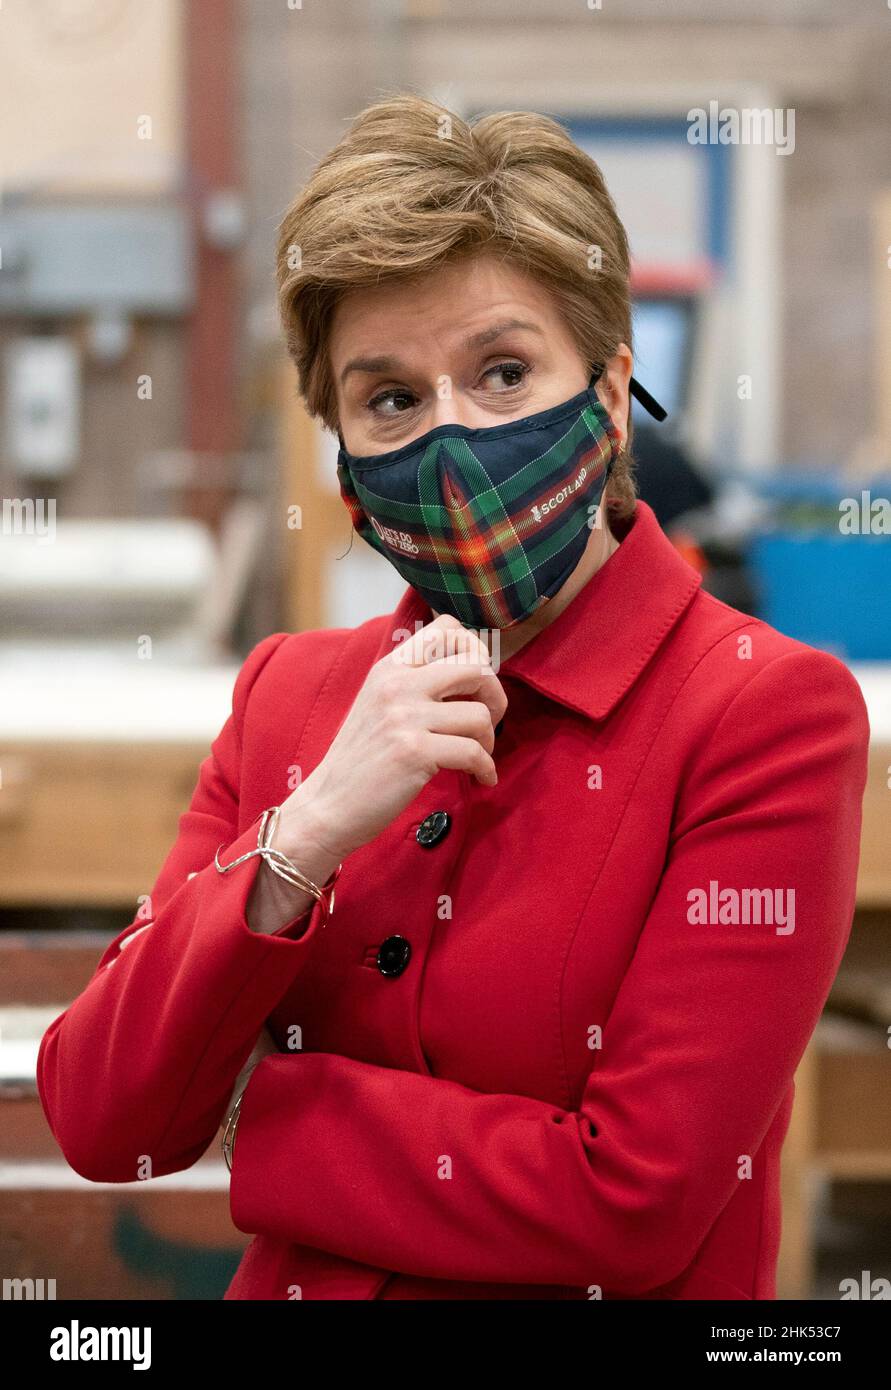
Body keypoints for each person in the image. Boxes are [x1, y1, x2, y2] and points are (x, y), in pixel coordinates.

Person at [37, 94, 869, 1301]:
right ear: (344, 462)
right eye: (390, 398)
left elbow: (629, 1207)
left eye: (504, 370)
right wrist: (305, 835)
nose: (453, 435)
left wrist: (259, 1116)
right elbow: (105, 1116)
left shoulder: (758, 716)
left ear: (611, 383)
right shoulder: (293, 699)